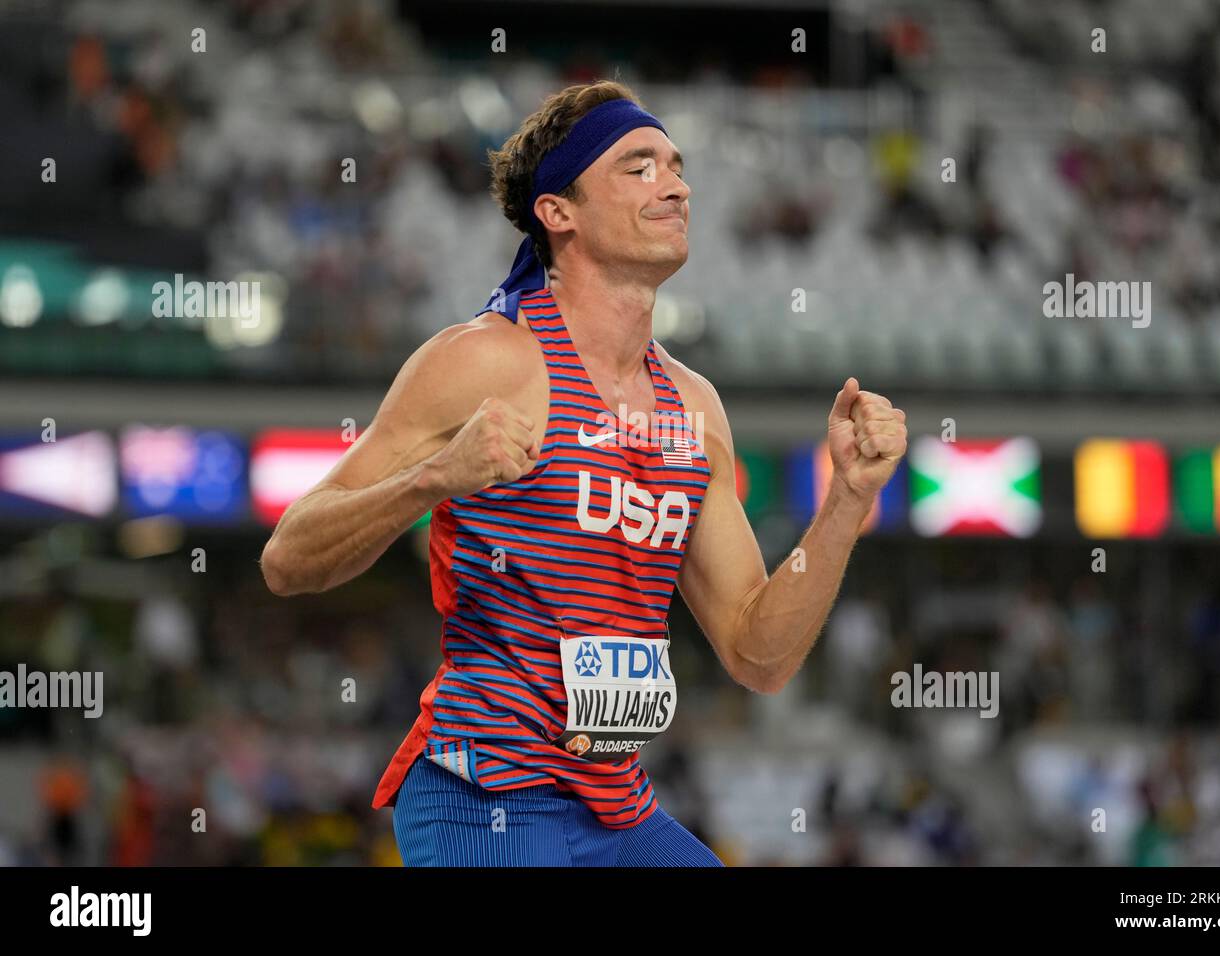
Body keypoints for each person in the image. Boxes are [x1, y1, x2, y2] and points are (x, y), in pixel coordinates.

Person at [259, 79, 908, 866]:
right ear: (558, 212)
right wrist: (433, 479)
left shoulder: (695, 409)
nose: (675, 184)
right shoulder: (485, 360)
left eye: (675, 165)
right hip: (483, 794)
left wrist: (846, 500)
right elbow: (288, 558)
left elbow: (757, 656)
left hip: (616, 806)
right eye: (638, 167)